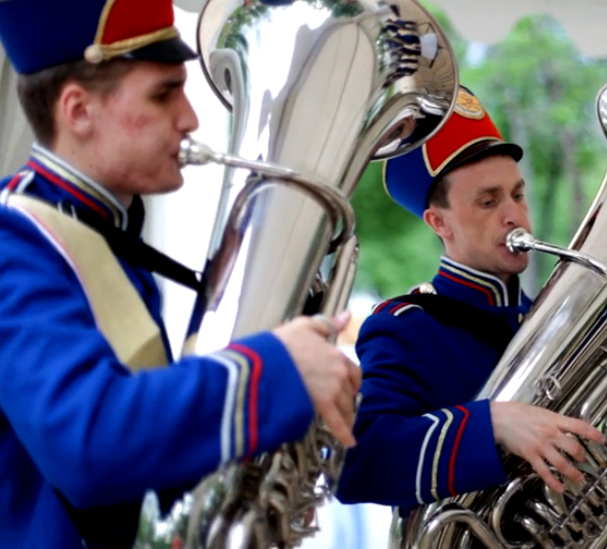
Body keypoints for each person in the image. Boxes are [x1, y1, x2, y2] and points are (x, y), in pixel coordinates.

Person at [0, 1, 360, 547]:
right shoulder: (16, 242)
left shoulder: (104, 236)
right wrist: (277, 369)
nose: (190, 117)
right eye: (164, 93)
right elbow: (88, 445)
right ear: (77, 110)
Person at [335, 85, 607, 536]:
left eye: (518, 195)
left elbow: (597, 502)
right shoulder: (408, 327)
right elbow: (357, 463)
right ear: (440, 223)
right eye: (488, 202)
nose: (515, 216)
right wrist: (492, 424)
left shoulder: (554, 326)